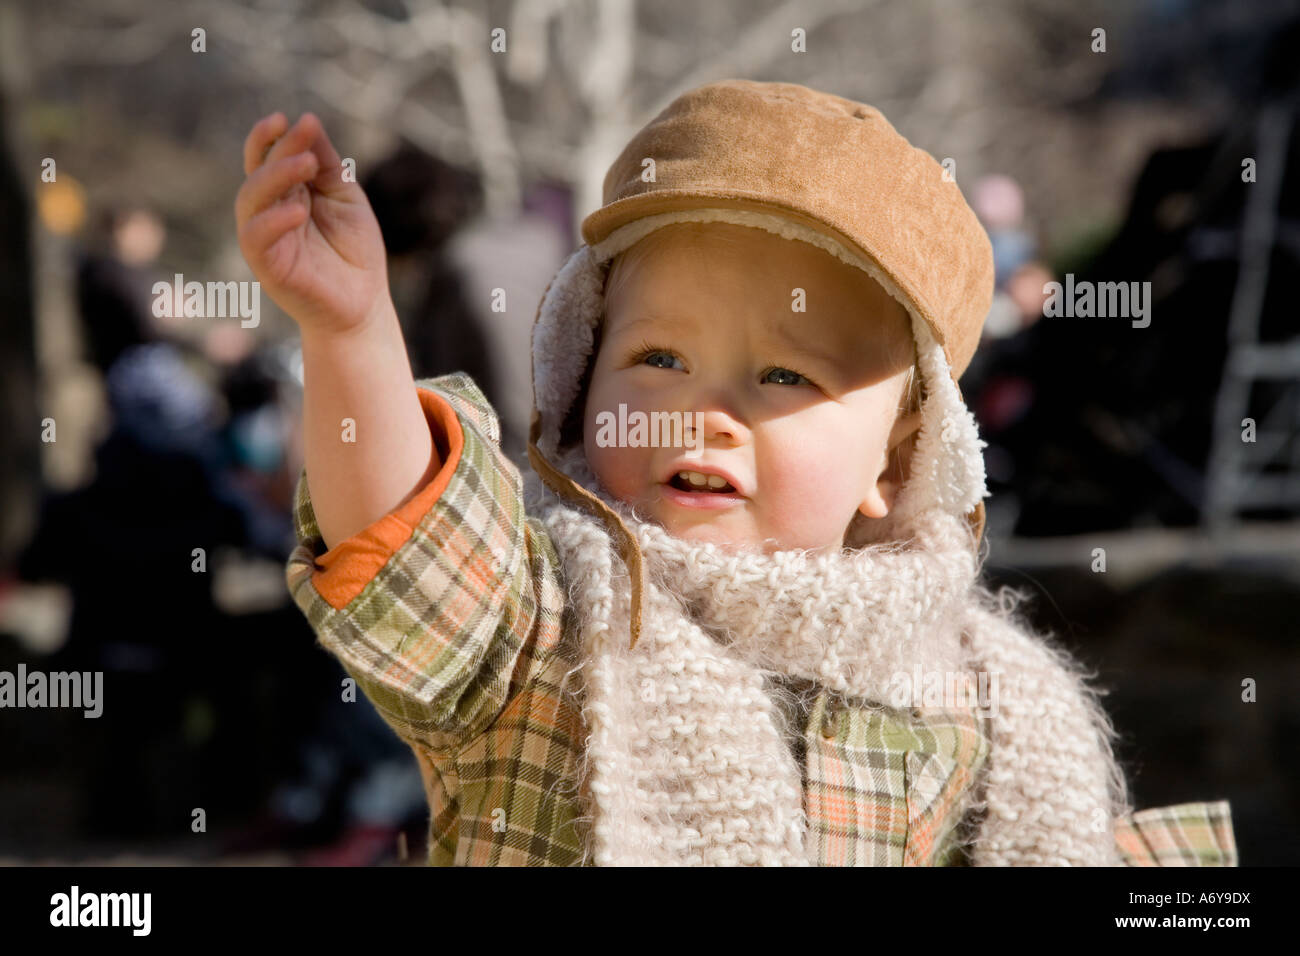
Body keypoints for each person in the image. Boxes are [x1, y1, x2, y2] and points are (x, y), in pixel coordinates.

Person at [235, 80, 1236, 866]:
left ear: (895, 461)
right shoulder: (542, 624)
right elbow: (412, 539)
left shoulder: (985, 709)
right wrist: (352, 329)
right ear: (582, 382)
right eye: (658, 357)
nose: (702, 411)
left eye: (783, 373)